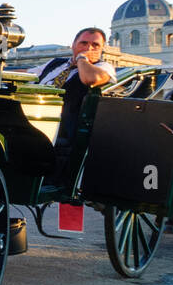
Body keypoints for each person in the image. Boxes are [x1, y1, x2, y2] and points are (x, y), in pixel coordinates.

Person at [30, 27, 116, 183]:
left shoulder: (103, 68)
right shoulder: (56, 63)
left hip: (63, 131)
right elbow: (27, 75)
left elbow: (90, 79)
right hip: (31, 116)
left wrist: (82, 59)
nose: (89, 48)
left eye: (95, 45)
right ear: (73, 45)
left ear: (102, 50)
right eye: (83, 43)